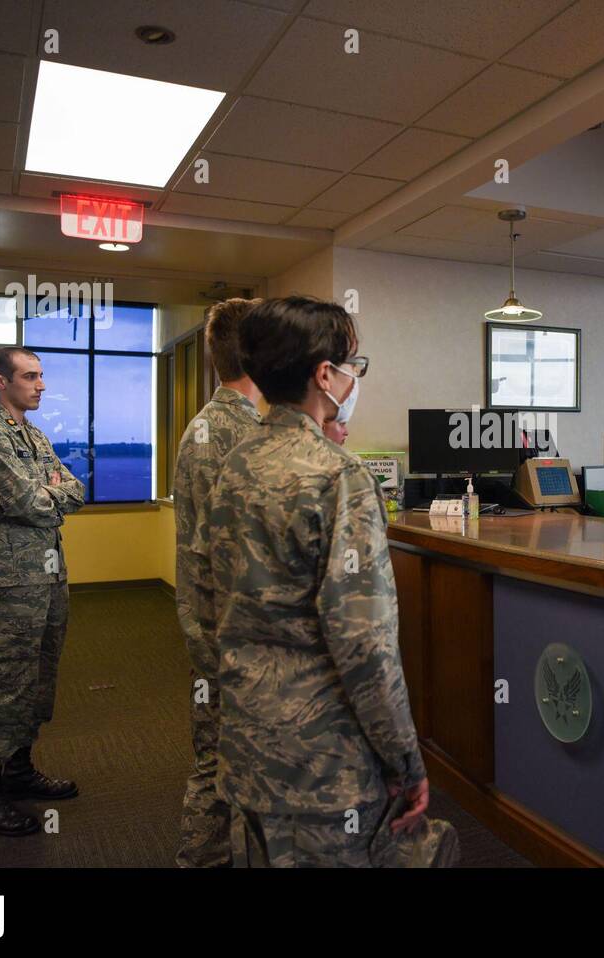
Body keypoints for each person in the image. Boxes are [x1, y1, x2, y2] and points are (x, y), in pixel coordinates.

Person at [204, 296, 427, 867]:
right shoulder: (339, 476)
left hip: (247, 745)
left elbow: (210, 599)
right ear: (324, 375)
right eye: (353, 365)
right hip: (323, 766)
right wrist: (404, 757)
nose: (356, 377)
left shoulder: (235, 464)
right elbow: (364, 644)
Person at [0, 346, 83, 837]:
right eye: (30, 376)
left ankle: (19, 769)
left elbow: (74, 490)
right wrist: (51, 492)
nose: (41, 385)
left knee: (38, 679)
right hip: (13, 582)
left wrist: (51, 492)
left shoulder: (33, 435)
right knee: (8, 683)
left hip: (49, 577)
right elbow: (25, 500)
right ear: (0, 382)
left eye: (41, 376)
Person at [173, 298, 263, 868]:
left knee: (214, 757)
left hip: (211, 628)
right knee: (238, 765)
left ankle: (201, 857)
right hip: (237, 636)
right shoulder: (242, 435)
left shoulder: (212, 424)